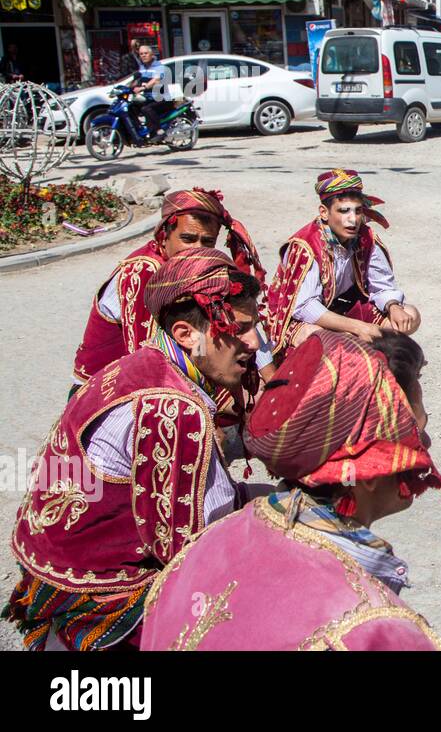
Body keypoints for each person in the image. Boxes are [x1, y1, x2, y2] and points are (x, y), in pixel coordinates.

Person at [5, 249, 265, 650]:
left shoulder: (140, 361)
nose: (255, 342)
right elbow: (186, 546)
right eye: (241, 328)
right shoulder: (173, 407)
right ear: (185, 334)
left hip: (50, 552)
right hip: (95, 586)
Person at [139, 330, 441, 650]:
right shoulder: (373, 630)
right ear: (369, 472)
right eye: (416, 438)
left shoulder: (211, 540)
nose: (426, 448)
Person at [71, 187, 265, 395]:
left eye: (207, 241)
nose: (197, 248)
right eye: (188, 239)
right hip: (103, 392)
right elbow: (147, 356)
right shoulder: (145, 272)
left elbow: (204, 333)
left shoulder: (195, 270)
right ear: (164, 236)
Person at [264, 169, 420, 356]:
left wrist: (393, 306)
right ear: (324, 212)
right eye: (344, 211)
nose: (353, 219)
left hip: (342, 308)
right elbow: (305, 307)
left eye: (358, 211)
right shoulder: (306, 246)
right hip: (300, 318)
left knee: (410, 316)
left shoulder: (365, 237)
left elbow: (382, 285)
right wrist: (359, 327)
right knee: (332, 340)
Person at [130, 43, 170, 142]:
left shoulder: (158, 66)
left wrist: (144, 87)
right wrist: (130, 86)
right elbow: (137, 79)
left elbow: (156, 80)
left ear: (151, 54)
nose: (143, 55)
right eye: (141, 54)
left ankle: (159, 131)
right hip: (148, 97)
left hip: (161, 98)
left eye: (145, 53)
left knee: (146, 108)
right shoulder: (142, 67)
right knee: (131, 107)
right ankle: (138, 132)